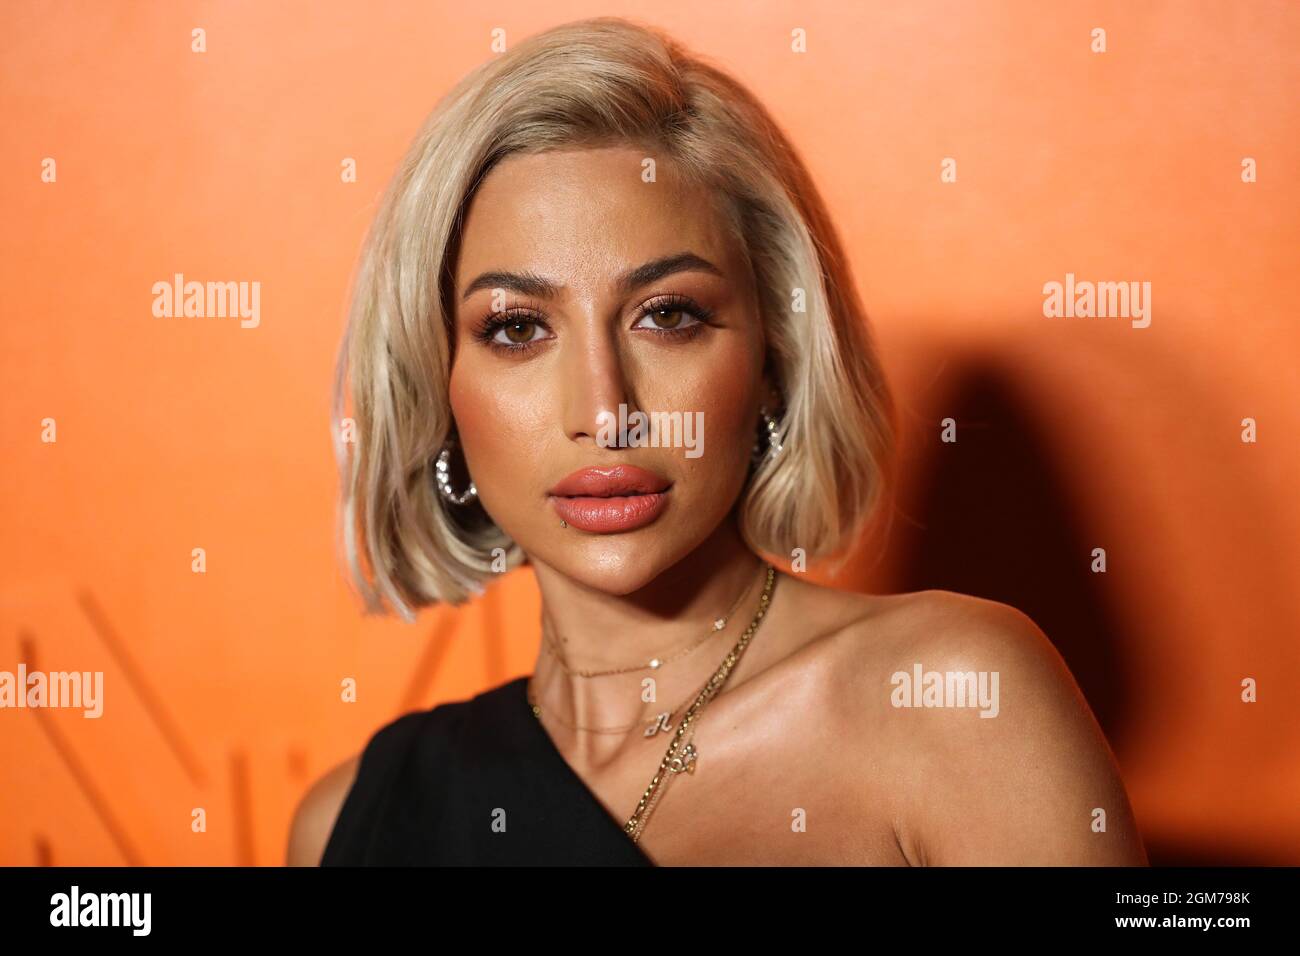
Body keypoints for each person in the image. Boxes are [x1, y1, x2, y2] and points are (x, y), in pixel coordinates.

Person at [287, 16, 1147, 866]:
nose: (605, 409)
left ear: (774, 357)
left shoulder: (956, 701)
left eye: (669, 315)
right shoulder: (348, 826)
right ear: (437, 386)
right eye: (517, 329)